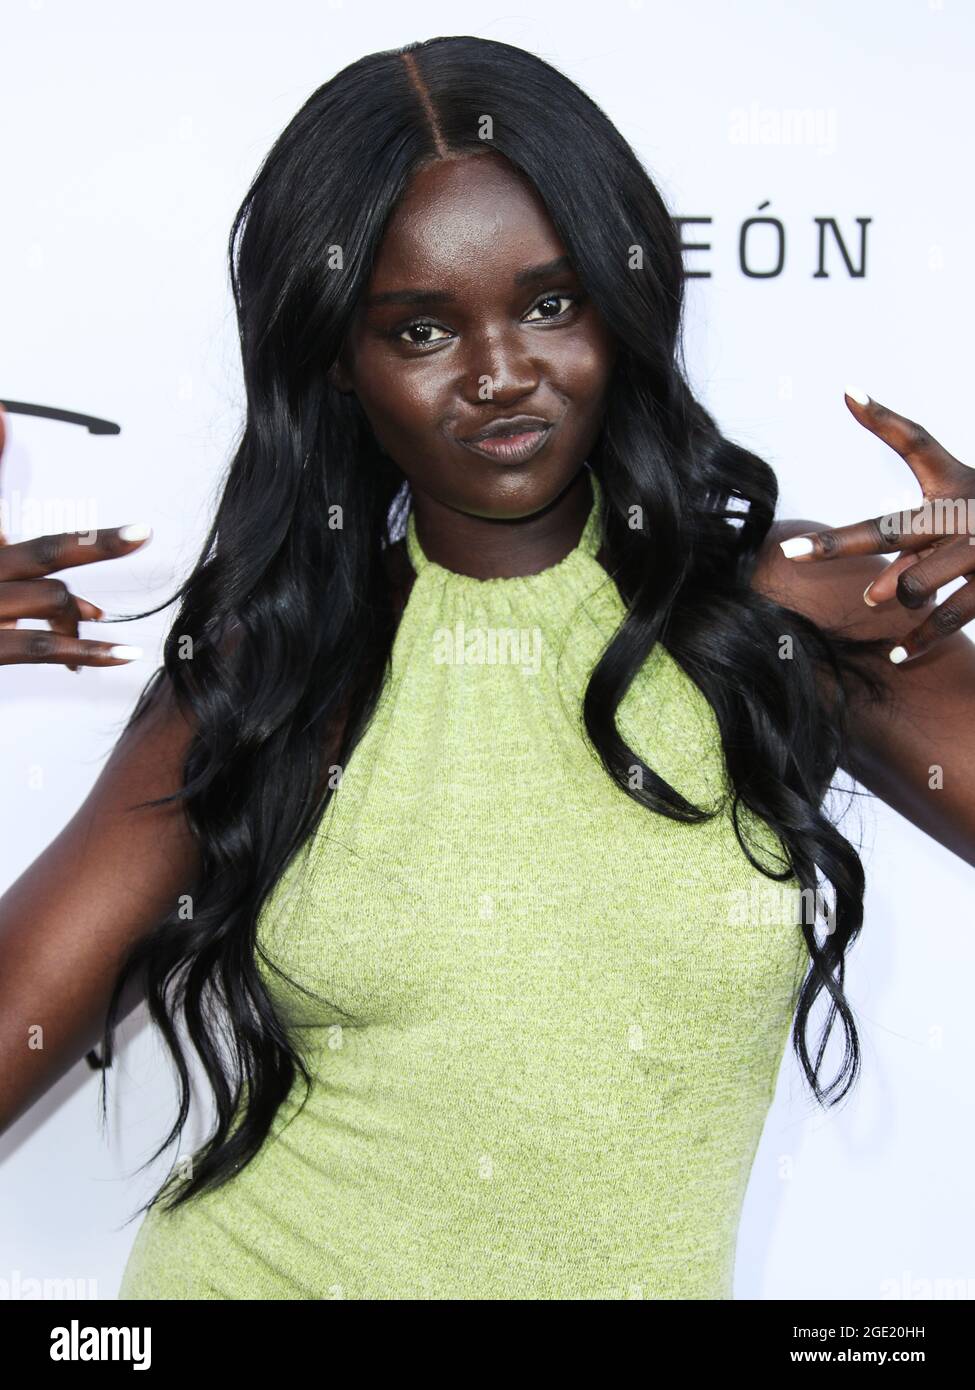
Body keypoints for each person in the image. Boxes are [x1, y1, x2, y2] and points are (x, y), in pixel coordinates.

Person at [1, 35, 973, 1301]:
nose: (503, 371)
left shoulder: (781, 623)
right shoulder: (277, 672)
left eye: (552, 302)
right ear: (339, 367)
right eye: (419, 327)